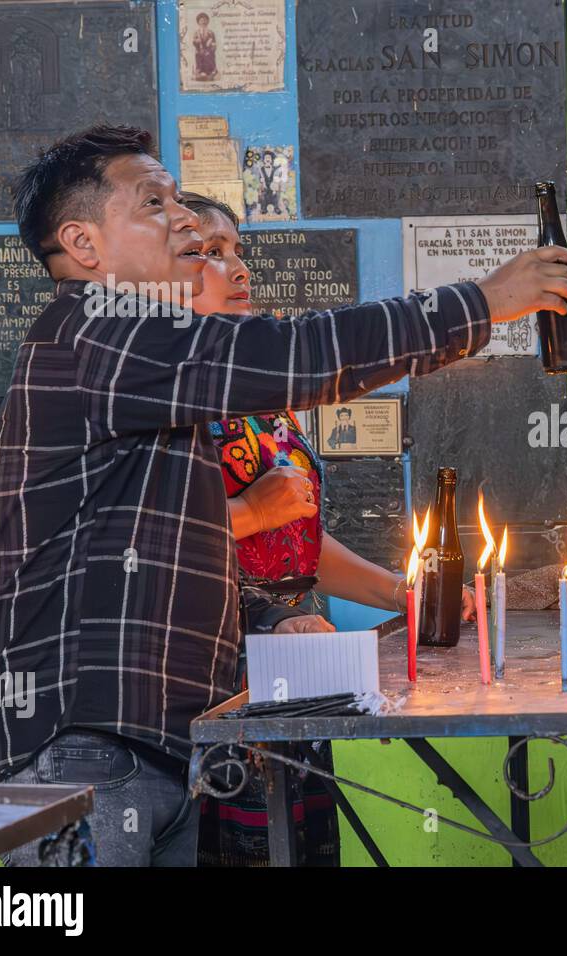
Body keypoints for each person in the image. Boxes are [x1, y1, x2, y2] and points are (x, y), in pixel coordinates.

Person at [0, 125, 567, 866]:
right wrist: (486, 302)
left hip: (165, 739)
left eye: (178, 199)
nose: (185, 221)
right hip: (87, 746)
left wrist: (293, 612)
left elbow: (180, 548)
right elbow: (296, 354)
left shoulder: (144, 361)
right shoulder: (96, 328)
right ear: (84, 245)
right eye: (152, 203)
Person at [180, 192, 475, 865]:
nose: (238, 270)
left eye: (238, 252)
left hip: (295, 660)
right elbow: (151, 540)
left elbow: (297, 548)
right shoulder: (168, 404)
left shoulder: (261, 399)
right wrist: (251, 515)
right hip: (214, 673)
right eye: (209, 255)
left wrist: (400, 593)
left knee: (299, 842)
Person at [192, 13, 217, 80]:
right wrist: (196, 41)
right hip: (199, 49)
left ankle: (210, 72)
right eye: (201, 20)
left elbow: (214, 43)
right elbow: (194, 41)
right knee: (198, 55)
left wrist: (211, 45)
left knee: (208, 56)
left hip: (208, 50)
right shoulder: (196, 32)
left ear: (207, 22)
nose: (203, 22)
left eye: (205, 20)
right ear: (198, 22)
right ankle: (199, 72)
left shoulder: (210, 32)